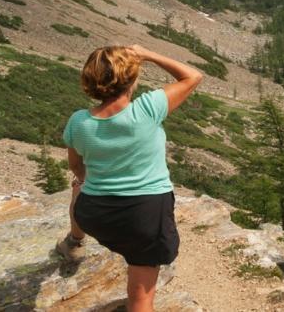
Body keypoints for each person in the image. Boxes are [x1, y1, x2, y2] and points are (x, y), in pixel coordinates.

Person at [57, 44, 204, 312]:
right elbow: (192, 76)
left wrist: (92, 181)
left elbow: (76, 166)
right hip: (143, 219)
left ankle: (74, 241)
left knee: (79, 185)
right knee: (140, 300)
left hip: (94, 215)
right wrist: (149, 53)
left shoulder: (78, 121)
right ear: (132, 79)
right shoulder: (147, 109)